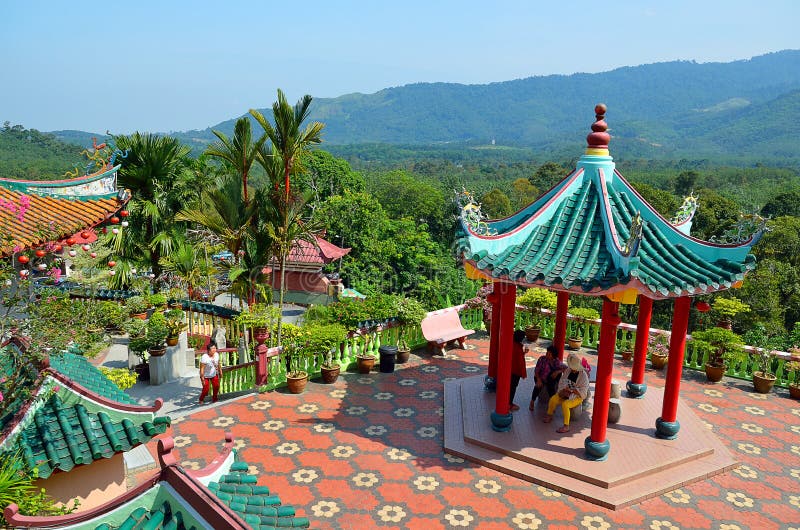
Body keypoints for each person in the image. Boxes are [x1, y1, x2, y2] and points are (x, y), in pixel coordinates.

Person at [543, 353, 589, 433]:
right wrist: (562, 390)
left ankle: (566, 426)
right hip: (565, 393)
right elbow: (562, 381)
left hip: (576, 397)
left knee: (565, 404)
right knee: (553, 399)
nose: (572, 369)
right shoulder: (568, 370)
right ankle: (549, 415)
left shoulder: (583, 376)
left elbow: (583, 393)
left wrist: (572, 391)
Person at [528, 344, 567, 410]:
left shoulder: (556, 361)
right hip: (540, 377)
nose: (547, 355)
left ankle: (552, 404)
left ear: (553, 356)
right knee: (538, 386)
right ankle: (532, 401)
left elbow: (566, 368)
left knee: (551, 386)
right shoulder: (542, 359)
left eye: (549, 354)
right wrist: (538, 380)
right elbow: (536, 371)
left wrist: (557, 372)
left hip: (549, 379)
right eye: (547, 353)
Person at [508, 330, 528, 411]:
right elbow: (519, 361)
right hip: (515, 371)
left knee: (510, 387)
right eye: (523, 337)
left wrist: (524, 353)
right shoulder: (516, 347)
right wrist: (522, 373)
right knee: (512, 387)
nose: (523, 339)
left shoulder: (513, 344)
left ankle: (508, 402)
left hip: (511, 370)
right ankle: (509, 404)